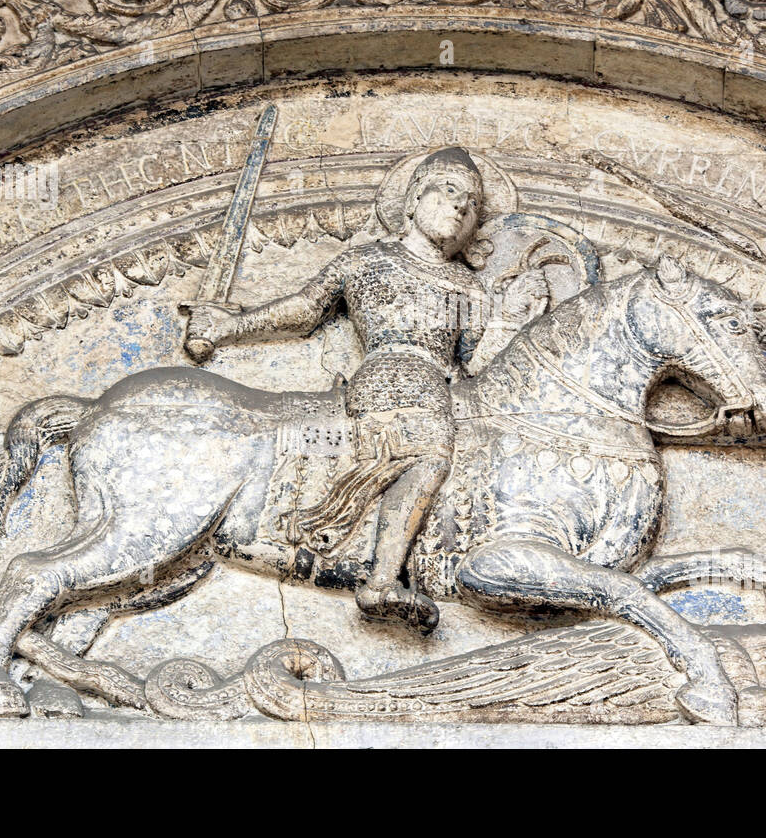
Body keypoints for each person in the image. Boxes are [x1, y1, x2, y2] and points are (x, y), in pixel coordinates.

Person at [181, 147, 545, 632]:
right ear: (414, 199)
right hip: (389, 380)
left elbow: (476, 363)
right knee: (431, 455)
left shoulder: (467, 286)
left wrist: (515, 318)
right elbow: (306, 309)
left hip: (442, 390)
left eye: (473, 204)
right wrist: (233, 326)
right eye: (449, 190)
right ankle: (381, 581)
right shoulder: (369, 262)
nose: (461, 207)